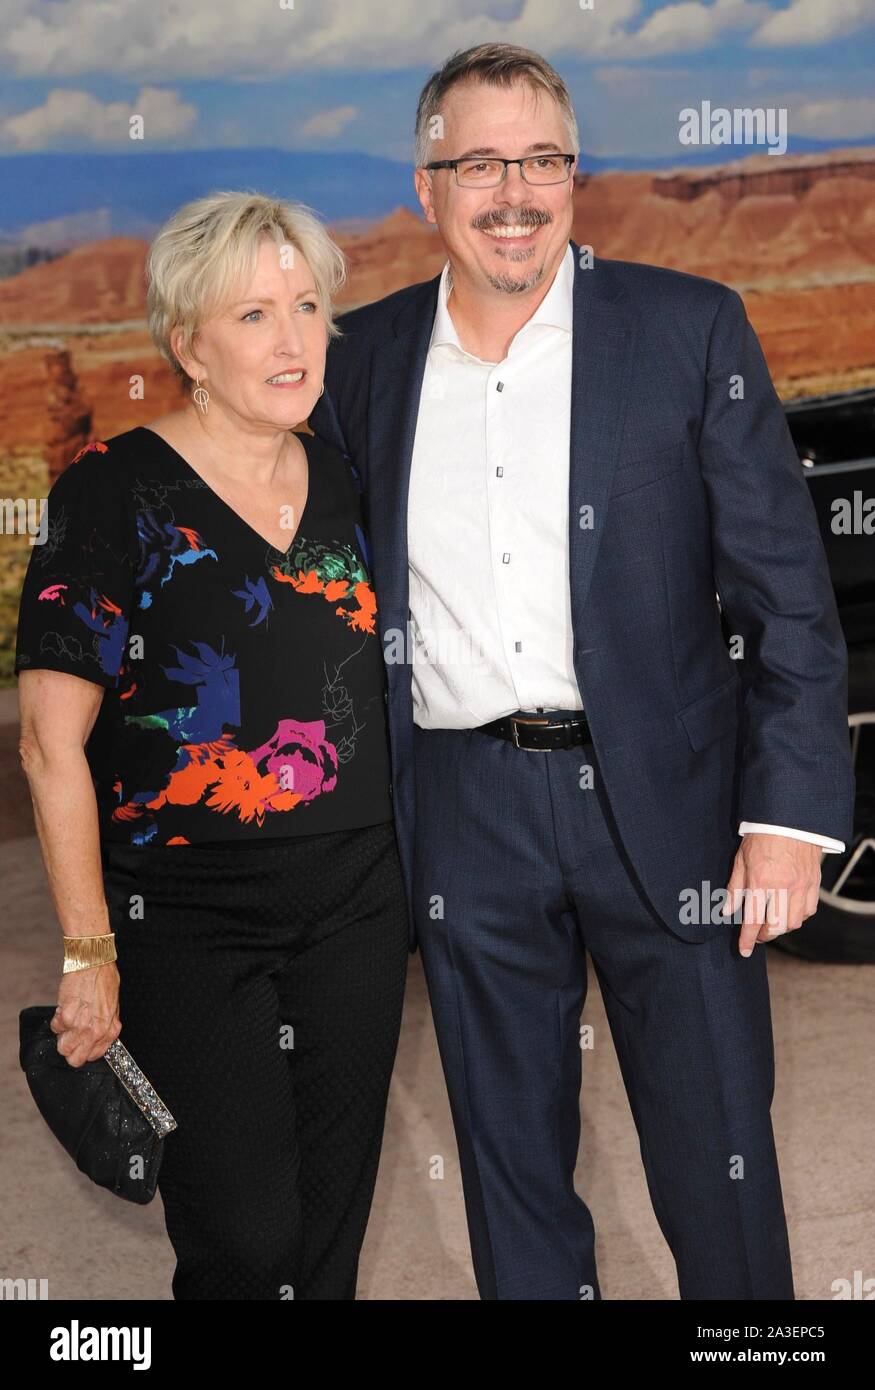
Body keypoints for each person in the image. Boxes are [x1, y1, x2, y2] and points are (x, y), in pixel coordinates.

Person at [308, 43, 855, 1300]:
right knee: (508, 1166)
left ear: (576, 176)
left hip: (673, 808)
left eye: (543, 160)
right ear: (426, 186)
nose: (516, 191)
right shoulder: (361, 361)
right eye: (482, 163)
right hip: (462, 815)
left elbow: (785, 599)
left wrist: (785, 823)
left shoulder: (682, 328)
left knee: (715, 1153)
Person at [15, 191, 409, 1300]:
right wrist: (90, 949)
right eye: (251, 316)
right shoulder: (112, 491)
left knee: (329, 1232)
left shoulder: (344, 479)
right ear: (187, 344)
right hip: (185, 920)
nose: (292, 341)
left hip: (356, 907)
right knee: (243, 1238)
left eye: (305, 307)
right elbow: (50, 747)